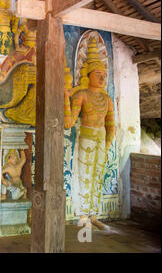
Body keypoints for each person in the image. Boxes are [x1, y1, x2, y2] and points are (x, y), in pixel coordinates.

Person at [64, 38, 115, 230]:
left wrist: (107, 143)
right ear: (88, 75)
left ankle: (94, 214)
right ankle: (83, 214)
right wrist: (64, 97)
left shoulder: (107, 99)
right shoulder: (81, 95)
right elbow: (69, 122)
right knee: (84, 175)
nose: (101, 78)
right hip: (85, 138)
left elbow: (111, 125)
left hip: (101, 140)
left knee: (97, 176)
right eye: (98, 74)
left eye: (103, 74)